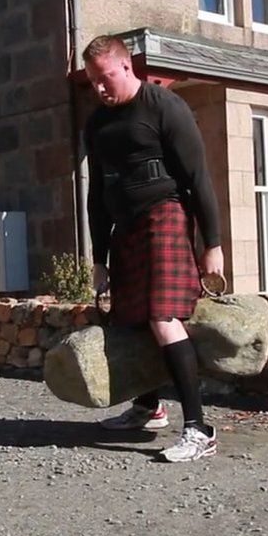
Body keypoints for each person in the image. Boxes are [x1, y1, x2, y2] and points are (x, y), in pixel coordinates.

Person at [82, 34, 224, 463]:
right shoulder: (96, 124)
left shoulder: (165, 107)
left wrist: (212, 245)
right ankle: (149, 408)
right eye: (92, 81)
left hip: (165, 216)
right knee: (132, 321)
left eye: (105, 78)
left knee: (163, 318)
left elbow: (198, 178)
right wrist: (99, 258)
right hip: (124, 226)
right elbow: (96, 195)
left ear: (127, 67)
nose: (100, 88)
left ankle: (200, 429)